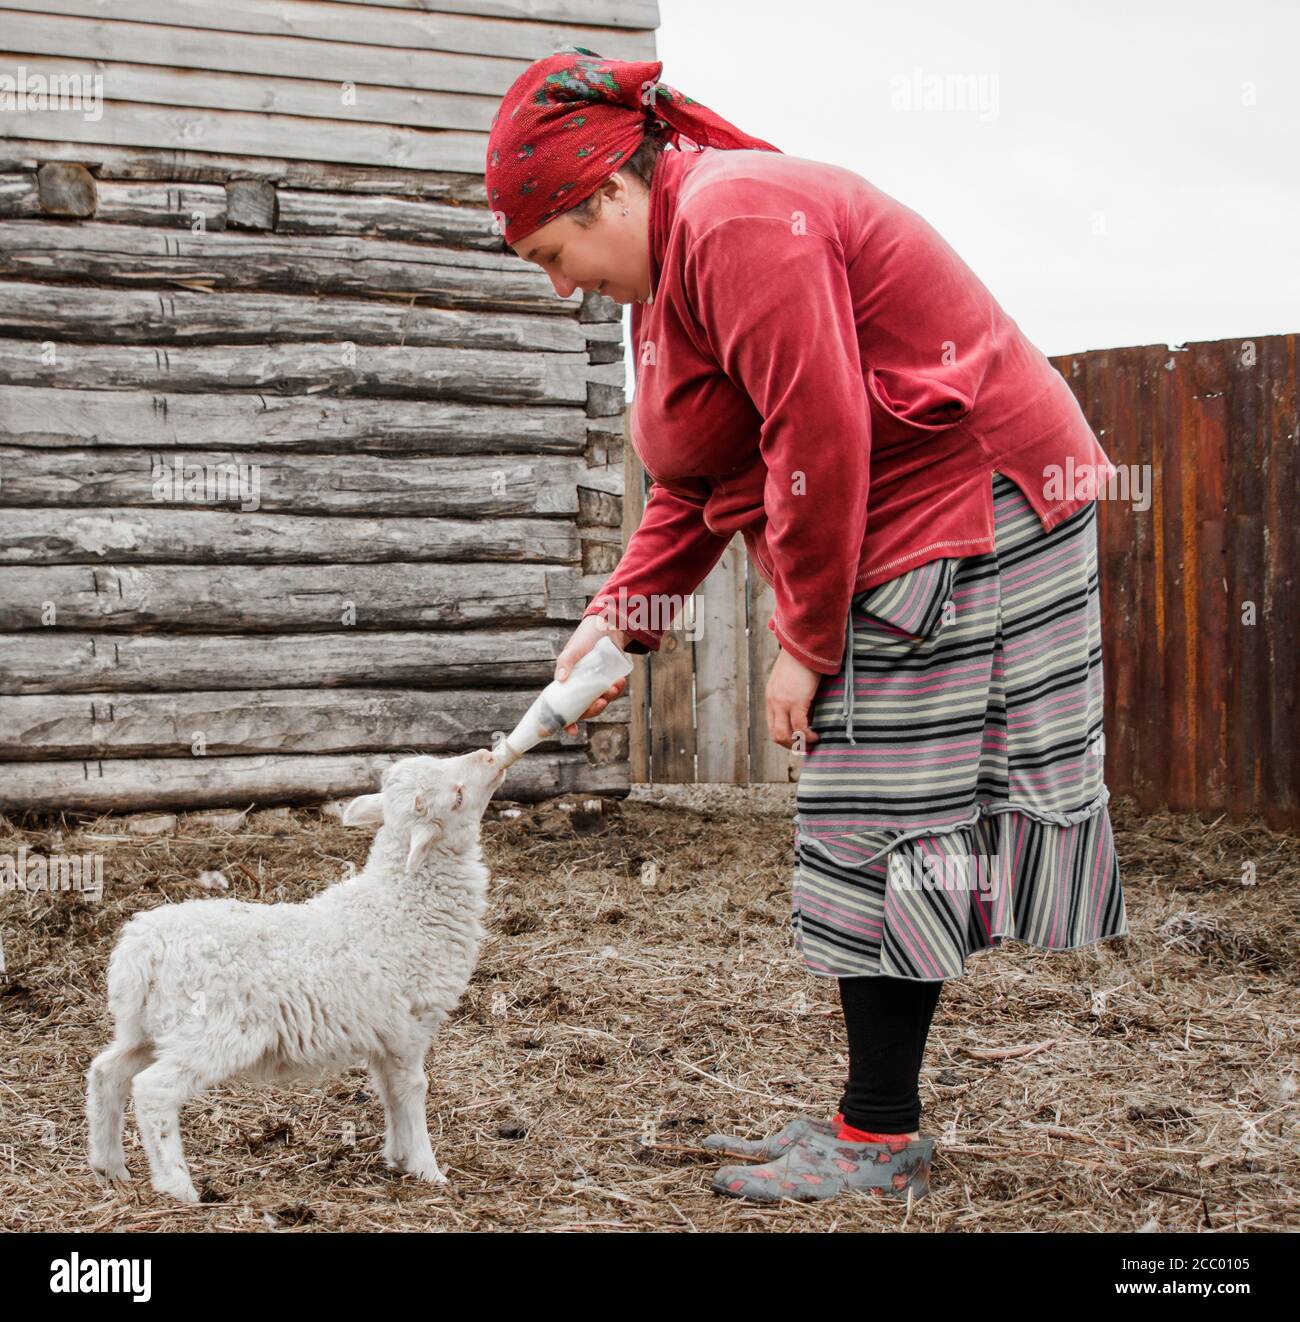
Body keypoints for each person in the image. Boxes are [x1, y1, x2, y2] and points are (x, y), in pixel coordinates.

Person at [486, 46, 1128, 1204]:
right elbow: (693, 479)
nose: (557, 283)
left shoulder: (734, 223)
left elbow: (818, 434)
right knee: (866, 812)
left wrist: (807, 644)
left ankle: (876, 1136)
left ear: (609, 195)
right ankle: (869, 1117)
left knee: (879, 810)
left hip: (976, 506)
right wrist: (618, 618)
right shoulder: (667, 276)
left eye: (552, 253)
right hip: (907, 511)